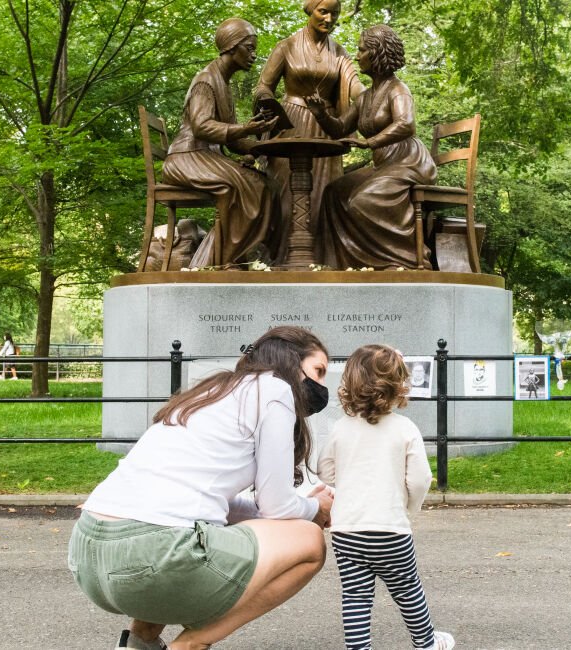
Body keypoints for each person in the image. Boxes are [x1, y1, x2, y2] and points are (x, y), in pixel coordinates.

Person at [69, 326, 334, 650]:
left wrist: (300, 507)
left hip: (88, 554)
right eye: (318, 371)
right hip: (152, 557)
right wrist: (314, 508)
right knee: (308, 542)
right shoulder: (275, 390)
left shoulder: (212, 392)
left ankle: (140, 641)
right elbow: (277, 507)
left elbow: (221, 504)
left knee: (199, 524)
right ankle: (192, 644)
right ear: (291, 363)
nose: (322, 386)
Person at [318, 344, 455, 650]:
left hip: (347, 530)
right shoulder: (405, 429)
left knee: (355, 596)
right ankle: (426, 642)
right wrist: (409, 510)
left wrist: (341, 499)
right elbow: (420, 480)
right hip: (390, 529)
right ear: (399, 386)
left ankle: (359, 647)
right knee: (408, 589)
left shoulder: (340, 429)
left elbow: (325, 470)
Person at [306, 24, 437, 269]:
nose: (357, 56)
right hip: (383, 164)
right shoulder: (365, 97)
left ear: (377, 54)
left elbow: (406, 124)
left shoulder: (398, 90)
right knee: (333, 192)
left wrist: (370, 142)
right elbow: (340, 128)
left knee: (362, 201)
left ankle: (405, 259)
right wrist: (321, 114)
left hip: (408, 162)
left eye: (362, 50)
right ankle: (343, 262)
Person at [164, 18, 281, 269]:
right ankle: (218, 262)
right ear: (231, 47)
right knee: (244, 185)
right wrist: (245, 128)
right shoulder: (206, 80)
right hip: (187, 157)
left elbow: (235, 140)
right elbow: (202, 126)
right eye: (248, 48)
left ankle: (230, 258)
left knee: (265, 184)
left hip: (206, 156)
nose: (253, 54)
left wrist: (266, 144)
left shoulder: (224, 85)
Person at [254, 0, 364, 262]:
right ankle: (280, 259)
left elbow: (355, 86)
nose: (329, 18)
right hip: (290, 125)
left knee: (324, 190)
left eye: (334, 13)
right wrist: (267, 104)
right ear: (310, 11)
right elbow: (262, 86)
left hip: (325, 126)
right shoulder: (287, 46)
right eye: (323, 11)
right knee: (284, 190)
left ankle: (321, 260)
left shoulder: (339, 52)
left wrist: (375, 95)